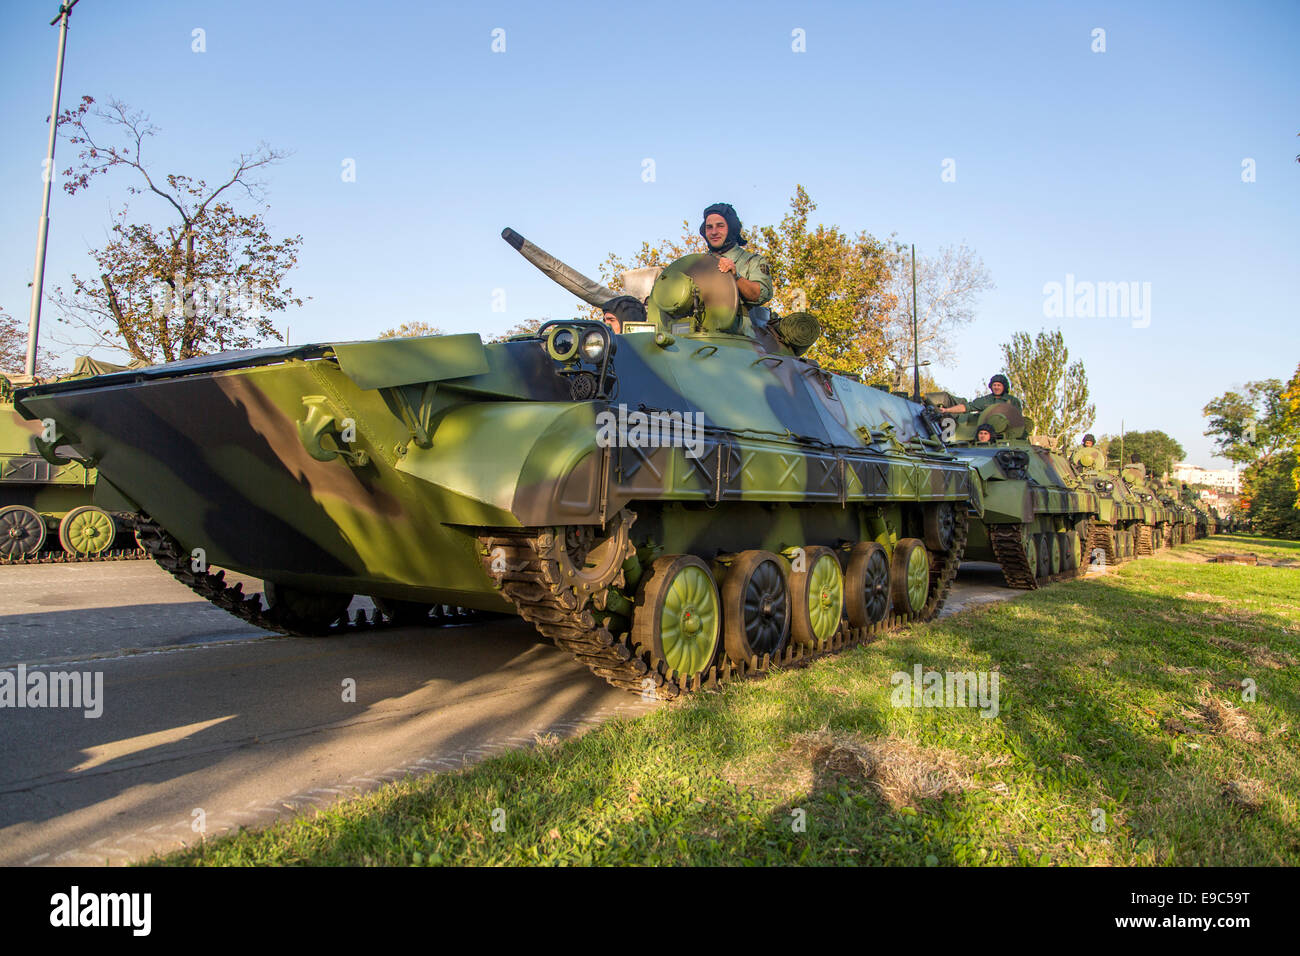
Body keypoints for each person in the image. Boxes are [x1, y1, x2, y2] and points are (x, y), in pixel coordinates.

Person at [700, 202, 773, 312]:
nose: (714, 232)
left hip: (742, 325)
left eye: (720, 226)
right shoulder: (698, 264)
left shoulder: (753, 261)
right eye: (709, 227)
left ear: (731, 229)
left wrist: (735, 277)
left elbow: (760, 295)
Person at [940, 374, 1022, 415]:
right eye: (994, 385)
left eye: (999, 385)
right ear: (991, 386)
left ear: (1004, 387)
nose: (996, 387)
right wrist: (947, 410)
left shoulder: (1013, 401)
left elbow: (1018, 420)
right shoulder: (985, 400)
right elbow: (966, 407)